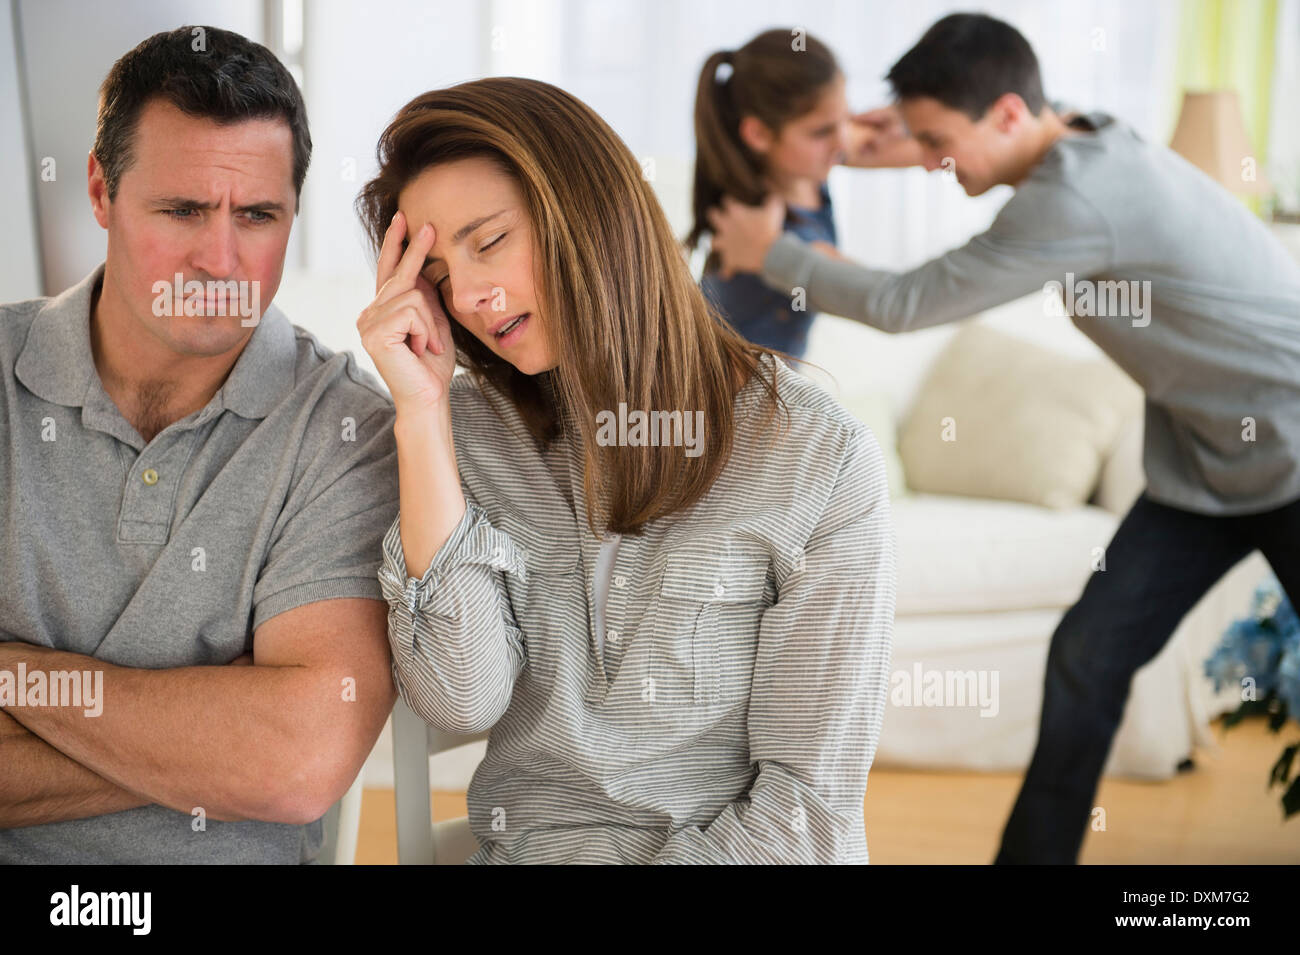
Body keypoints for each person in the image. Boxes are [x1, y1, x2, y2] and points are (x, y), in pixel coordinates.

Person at [707, 11, 1300, 864]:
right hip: (1204, 476)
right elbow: (984, 146)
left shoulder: (1075, 198)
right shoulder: (1087, 138)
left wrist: (774, 253)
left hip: (1289, 451)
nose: (935, 162)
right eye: (924, 140)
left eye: (941, 141)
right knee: (1087, 657)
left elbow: (907, 303)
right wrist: (918, 138)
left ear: (1012, 114)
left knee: (1087, 660)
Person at [355, 76, 896, 863]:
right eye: (438, 279)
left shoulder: (818, 457)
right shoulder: (462, 434)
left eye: (491, 241)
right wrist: (422, 415)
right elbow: (460, 693)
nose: (469, 296)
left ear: (590, 212)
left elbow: (805, 812)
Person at [0, 26, 399, 863]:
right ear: (102, 193)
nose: (220, 260)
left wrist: (17, 677)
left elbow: (298, 762)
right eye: (182, 210)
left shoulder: (345, 430)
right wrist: (216, 741)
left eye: (257, 215)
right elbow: (273, 756)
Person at [686, 28, 849, 362]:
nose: (843, 143)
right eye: (822, 132)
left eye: (846, 119)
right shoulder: (765, 231)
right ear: (759, 133)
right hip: (740, 404)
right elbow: (877, 296)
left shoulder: (804, 174)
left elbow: (858, 141)